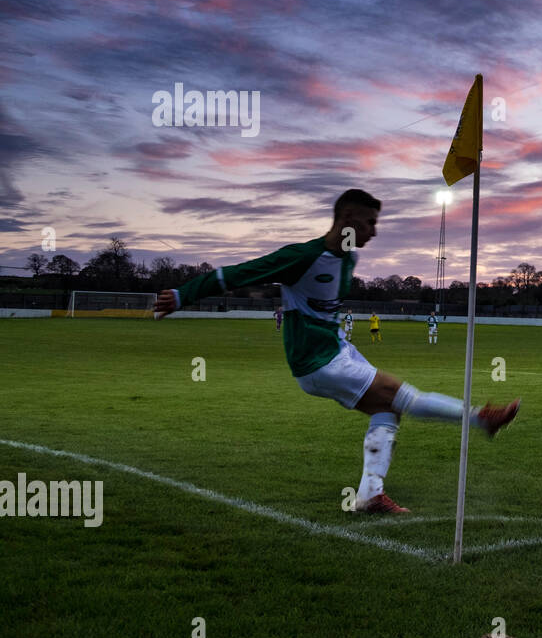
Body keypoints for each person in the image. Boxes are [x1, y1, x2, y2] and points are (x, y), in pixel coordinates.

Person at [153, 188, 519, 514]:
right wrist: (185, 294)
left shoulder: (349, 260)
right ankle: (480, 418)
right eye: (369, 224)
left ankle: (370, 495)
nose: (374, 232)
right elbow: (240, 273)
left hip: (338, 351)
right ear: (347, 220)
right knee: (400, 394)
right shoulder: (303, 256)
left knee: (386, 410)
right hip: (316, 361)